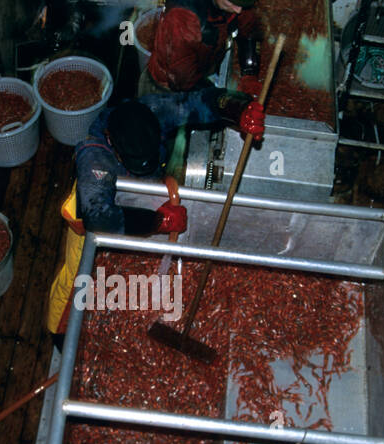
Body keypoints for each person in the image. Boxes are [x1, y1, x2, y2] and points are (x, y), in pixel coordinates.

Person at [46, 87, 265, 338]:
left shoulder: (154, 110)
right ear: (111, 141)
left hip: (140, 190)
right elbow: (100, 218)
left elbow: (198, 100)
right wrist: (157, 222)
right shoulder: (93, 156)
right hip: (91, 213)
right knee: (77, 279)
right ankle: (59, 334)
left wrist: (239, 109)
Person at [140, 0, 263, 98]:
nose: (239, 10)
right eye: (234, 4)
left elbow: (248, 26)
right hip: (168, 87)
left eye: (242, 4)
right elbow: (182, 79)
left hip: (205, 67)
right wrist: (225, 102)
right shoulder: (184, 17)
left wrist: (249, 71)